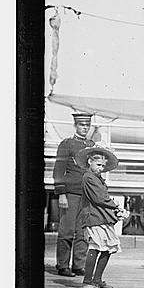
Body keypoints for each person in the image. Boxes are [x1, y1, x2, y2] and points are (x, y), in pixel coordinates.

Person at [76, 146, 130, 288]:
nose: (101, 168)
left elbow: (102, 198)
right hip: (93, 217)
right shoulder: (88, 177)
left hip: (101, 216)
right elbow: (100, 198)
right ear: (89, 161)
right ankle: (88, 281)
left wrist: (114, 208)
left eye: (103, 166)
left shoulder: (96, 177)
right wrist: (117, 207)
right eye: (98, 165)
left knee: (108, 248)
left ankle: (97, 279)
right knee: (96, 246)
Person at [52, 111, 96, 276]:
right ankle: (62, 265)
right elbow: (58, 170)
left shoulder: (92, 145)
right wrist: (61, 193)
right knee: (67, 230)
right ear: (75, 125)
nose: (85, 128)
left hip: (87, 194)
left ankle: (79, 265)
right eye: (82, 125)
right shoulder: (67, 144)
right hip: (70, 194)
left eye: (87, 125)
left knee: (83, 231)